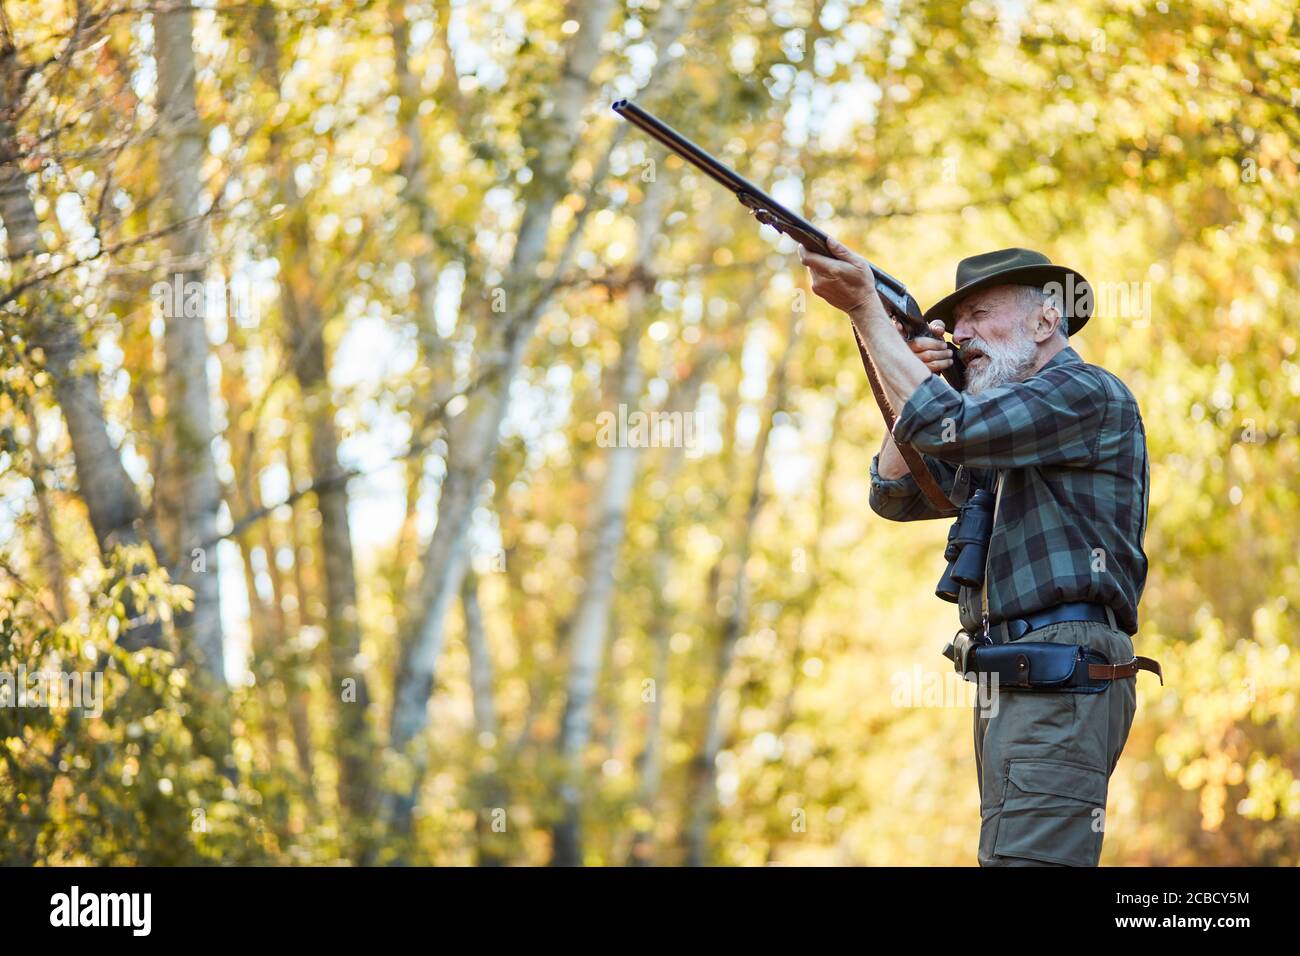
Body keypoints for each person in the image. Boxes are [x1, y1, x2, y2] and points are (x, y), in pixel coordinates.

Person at [802, 242, 1155, 866]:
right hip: (1018, 673)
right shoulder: (1002, 424)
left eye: (977, 316)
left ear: (1047, 321)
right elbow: (895, 492)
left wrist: (867, 314)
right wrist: (925, 378)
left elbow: (950, 428)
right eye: (955, 323)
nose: (960, 335)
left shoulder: (1083, 391)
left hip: (1058, 667)